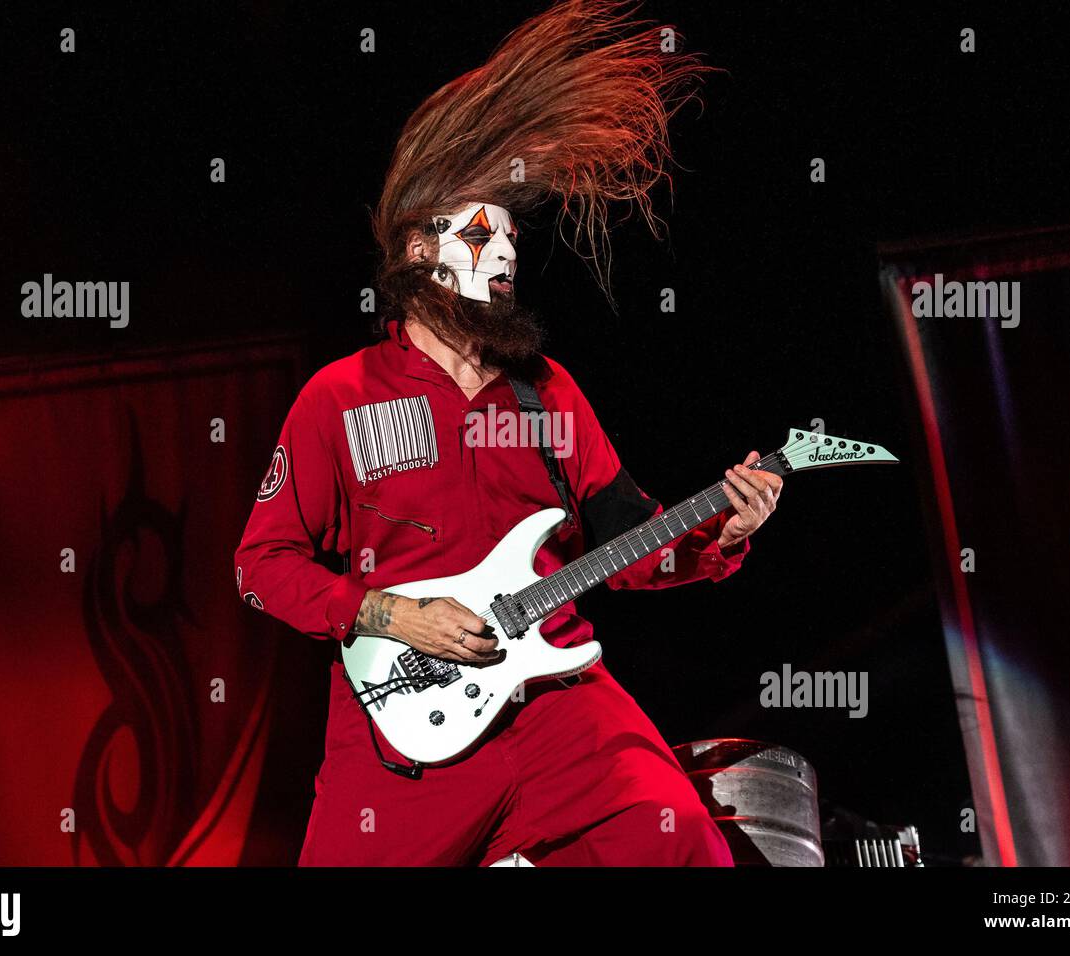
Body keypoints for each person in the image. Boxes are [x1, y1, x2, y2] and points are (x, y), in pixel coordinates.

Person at [234, 0, 783, 866]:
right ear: (417, 251)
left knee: (677, 840)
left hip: (558, 703)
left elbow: (632, 543)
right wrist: (389, 613)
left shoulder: (546, 394)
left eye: (513, 236)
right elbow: (261, 567)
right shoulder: (337, 398)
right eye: (481, 231)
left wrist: (723, 532)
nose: (506, 255)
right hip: (405, 738)